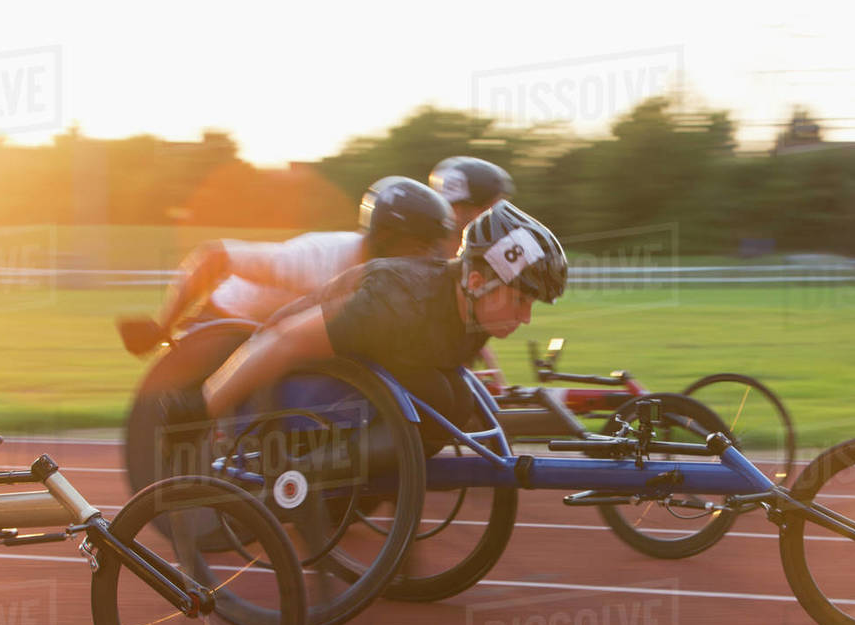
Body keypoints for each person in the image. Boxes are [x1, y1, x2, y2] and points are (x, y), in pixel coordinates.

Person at [163, 201, 567, 450]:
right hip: (291, 373)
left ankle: (365, 485)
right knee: (441, 401)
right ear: (477, 282)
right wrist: (200, 408)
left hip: (359, 378)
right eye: (520, 299)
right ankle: (332, 472)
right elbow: (285, 338)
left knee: (453, 401)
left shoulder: (471, 312)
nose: (526, 317)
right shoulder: (396, 304)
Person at [116, 176, 455, 356]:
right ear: (387, 236)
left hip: (278, 336)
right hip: (225, 327)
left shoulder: (387, 272)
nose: (429, 256)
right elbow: (214, 255)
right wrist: (164, 326)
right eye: (422, 245)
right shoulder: (316, 259)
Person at [429, 156, 518, 388]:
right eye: (493, 205)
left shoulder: (471, 251)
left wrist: (497, 376)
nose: (501, 214)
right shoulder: (426, 258)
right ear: (461, 208)